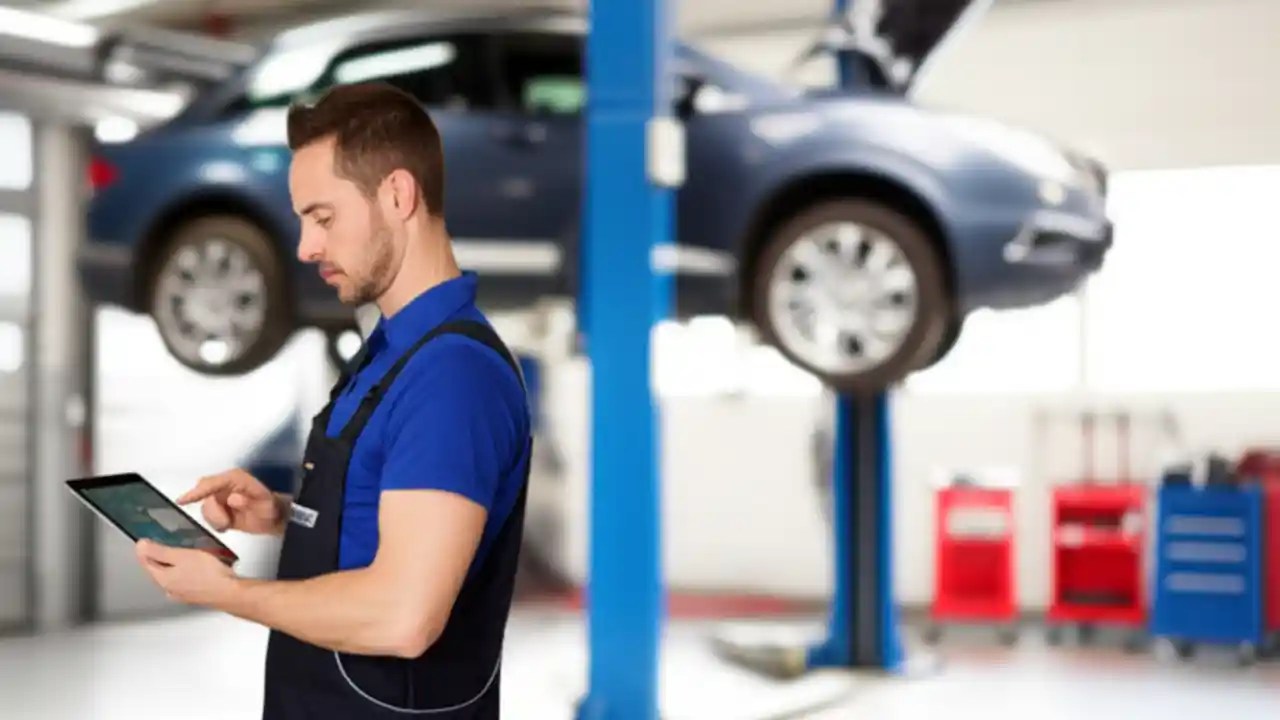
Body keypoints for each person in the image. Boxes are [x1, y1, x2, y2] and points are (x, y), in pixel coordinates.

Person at [133, 81, 532, 719]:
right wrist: (289, 515)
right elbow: (395, 517)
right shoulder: (390, 353)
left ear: (398, 195)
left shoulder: (453, 376)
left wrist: (229, 592)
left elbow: (403, 617)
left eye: (323, 218)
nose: (305, 247)